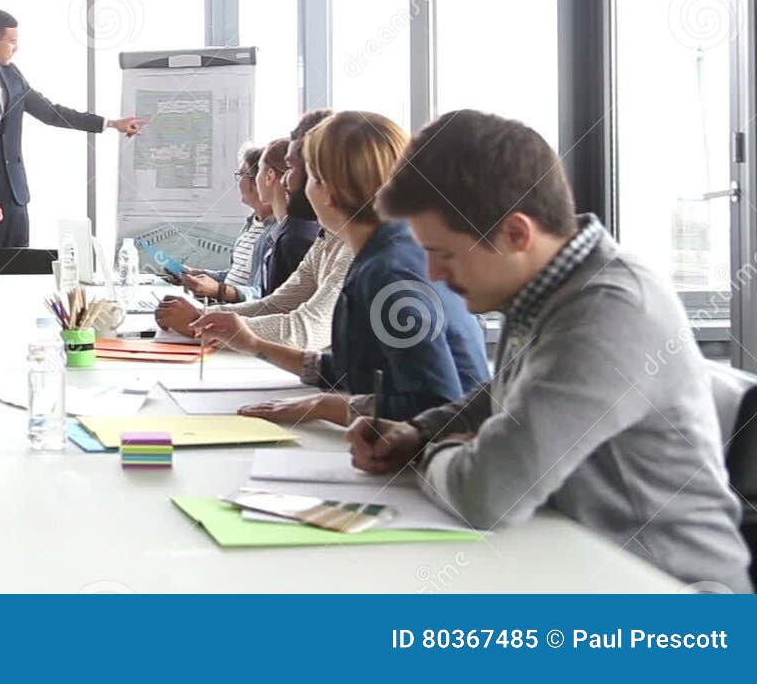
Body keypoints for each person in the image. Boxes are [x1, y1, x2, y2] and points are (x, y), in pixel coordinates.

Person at [347, 109, 750, 591]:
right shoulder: (554, 288)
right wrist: (419, 432)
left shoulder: (609, 314)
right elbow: (510, 390)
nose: (432, 273)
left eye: (445, 253)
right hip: (577, 567)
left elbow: (485, 493)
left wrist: (433, 456)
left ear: (517, 233)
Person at [194, 111, 488, 425]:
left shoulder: (391, 272)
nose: (290, 183)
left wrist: (326, 406)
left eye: (307, 175)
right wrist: (253, 344)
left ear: (328, 191)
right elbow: (351, 371)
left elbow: (434, 406)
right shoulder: (379, 251)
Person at [0, 9, 147, 269]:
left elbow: (50, 112)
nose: (16, 48)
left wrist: (110, 124)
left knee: (19, 277)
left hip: (16, 202)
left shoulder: (12, 75)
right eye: (12, 41)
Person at [157, 109, 350, 350]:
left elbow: (304, 330)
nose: (285, 181)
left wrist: (200, 322)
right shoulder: (328, 238)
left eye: (292, 169)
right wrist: (204, 314)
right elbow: (274, 304)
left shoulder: (353, 248)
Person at [180, 146, 272, 303]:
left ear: (259, 180)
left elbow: (269, 296)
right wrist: (198, 275)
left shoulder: (278, 233)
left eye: (242, 174)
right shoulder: (251, 224)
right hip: (225, 307)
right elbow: (235, 277)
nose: (239, 182)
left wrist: (219, 291)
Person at [247, 137, 321, 299]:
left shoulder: (295, 239)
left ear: (270, 176)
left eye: (259, 170)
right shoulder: (285, 232)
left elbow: (286, 308)